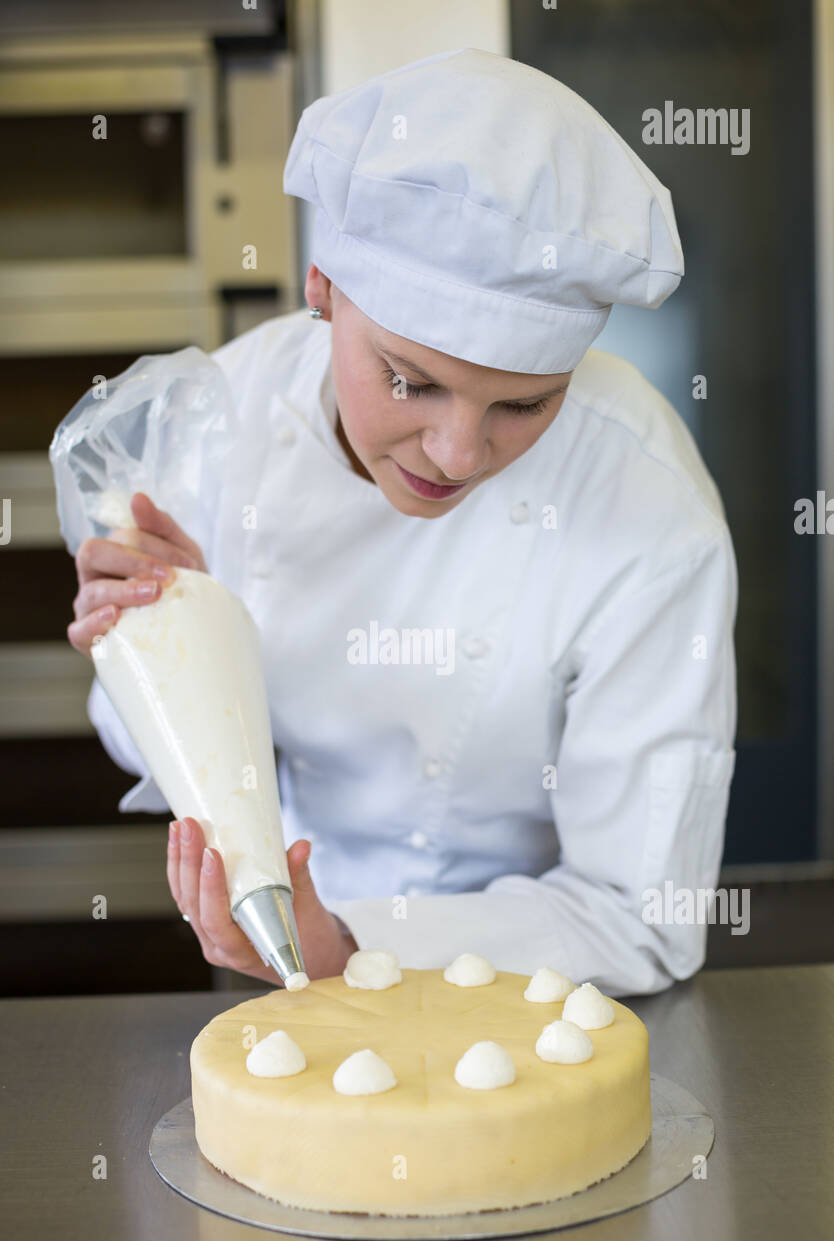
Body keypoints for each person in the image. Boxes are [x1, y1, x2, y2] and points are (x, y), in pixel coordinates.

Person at [65, 49, 737, 997]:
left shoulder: (645, 499)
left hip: (545, 991)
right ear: (322, 290)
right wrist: (150, 638)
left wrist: (358, 944)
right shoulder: (217, 426)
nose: (458, 454)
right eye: (411, 382)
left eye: (525, 405)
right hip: (279, 946)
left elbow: (641, 916)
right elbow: (153, 752)